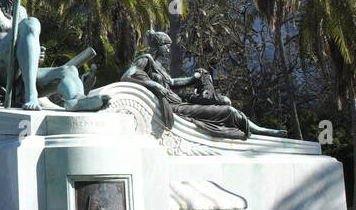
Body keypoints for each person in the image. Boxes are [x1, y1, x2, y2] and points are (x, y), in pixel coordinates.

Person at [122, 30, 286, 139]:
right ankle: (260, 132)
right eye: (167, 46)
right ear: (159, 45)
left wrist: (194, 77)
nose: (168, 49)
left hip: (179, 102)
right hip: (174, 107)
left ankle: (260, 131)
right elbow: (126, 76)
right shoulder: (146, 59)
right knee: (227, 111)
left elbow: (172, 82)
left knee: (224, 102)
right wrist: (155, 85)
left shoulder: (159, 66)